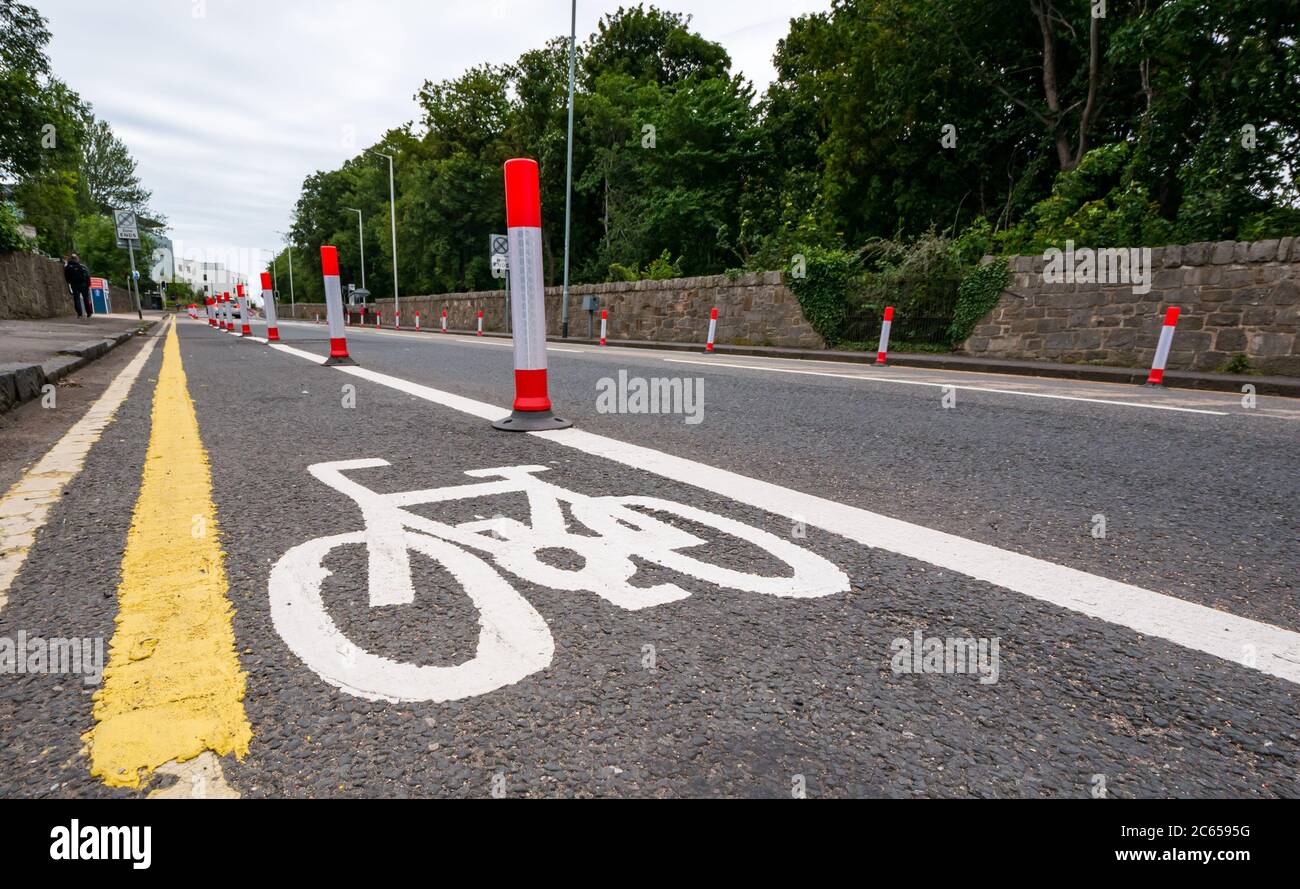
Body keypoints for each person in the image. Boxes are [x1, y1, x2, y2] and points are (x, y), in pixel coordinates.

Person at [64, 254, 93, 319]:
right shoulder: (82, 266)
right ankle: (89, 313)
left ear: (71, 259)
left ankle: (79, 314)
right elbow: (88, 276)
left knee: (76, 299)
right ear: (77, 259)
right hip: (84, 285)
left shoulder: (68, 267)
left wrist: (70, 282)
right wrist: (88, 284)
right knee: (86, 299)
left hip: (74, 285)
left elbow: (66, 276)